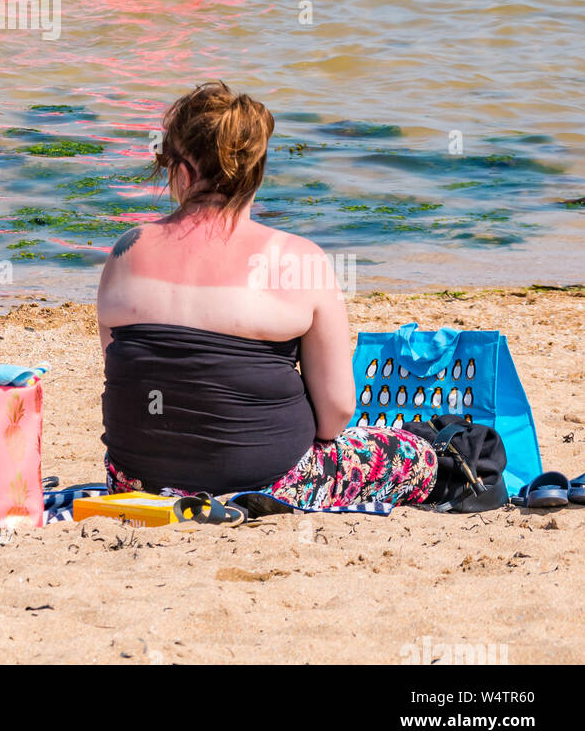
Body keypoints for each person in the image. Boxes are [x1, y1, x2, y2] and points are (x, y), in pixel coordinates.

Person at [96, 81, 438, 509]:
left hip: (135, 482)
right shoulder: (298, 259)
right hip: (271, 484)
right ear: (256, 171)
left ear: (181, 173)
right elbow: (335, 414)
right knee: (418, 456)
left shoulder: (126, 250)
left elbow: (132, 369)